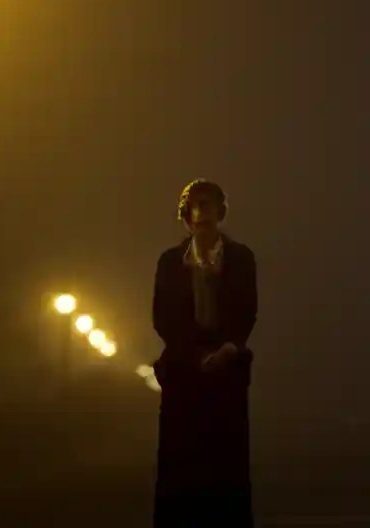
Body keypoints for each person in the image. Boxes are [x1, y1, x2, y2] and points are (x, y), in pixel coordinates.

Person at [152, 179, 257, 528]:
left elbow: (247, 310)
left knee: (226, 467)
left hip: (227, 373)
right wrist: (194, 357)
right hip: (184, 374)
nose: (202, 214)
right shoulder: (170, 262)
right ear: (185, 215)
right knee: (181, 468)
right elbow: (163, 318)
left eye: (209, 205)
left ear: (220, 211)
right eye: (195, 206)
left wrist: (229, 347)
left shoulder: (241, 258)